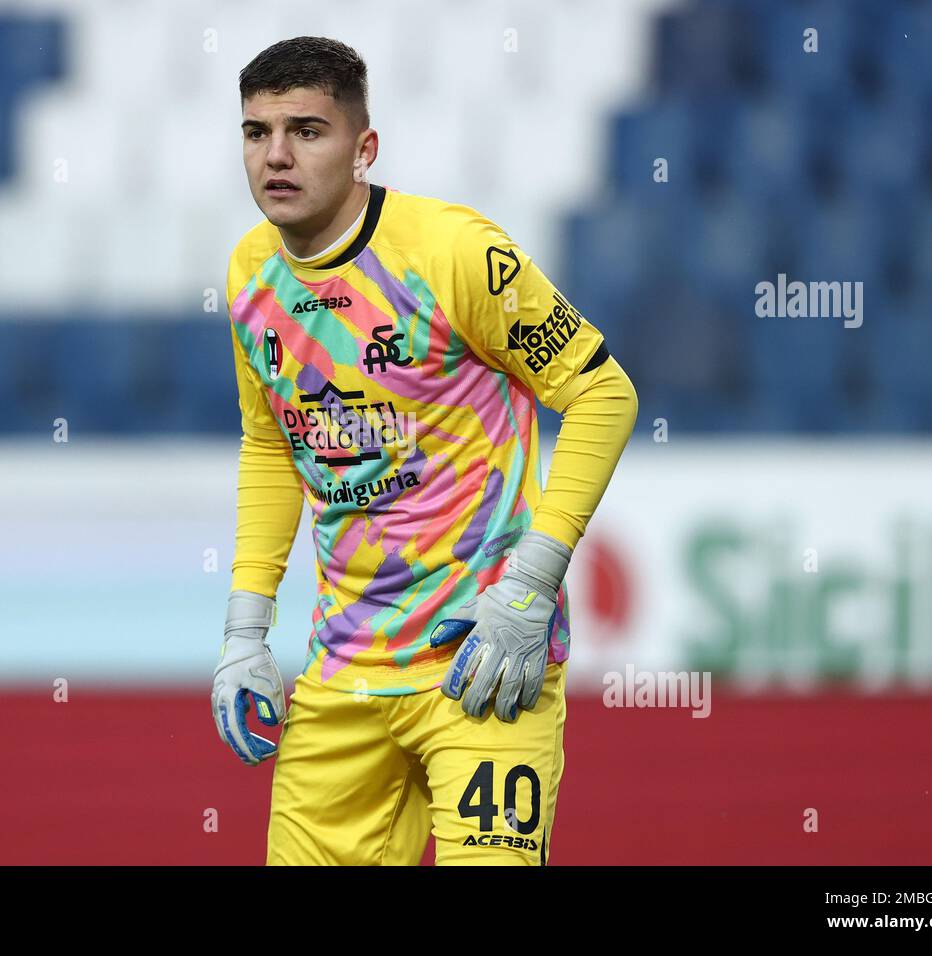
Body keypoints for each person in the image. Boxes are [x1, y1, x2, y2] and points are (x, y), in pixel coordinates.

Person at [212, 36, 638, 865]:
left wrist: (528, 588)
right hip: (342, 677)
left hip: (480, 660)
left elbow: (603, 393)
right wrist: (245, 632)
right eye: (256, 132)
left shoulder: (454, 254)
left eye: (307, 130)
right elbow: (270, 443)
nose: (276, 155)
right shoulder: (250, 274)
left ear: (364, 148)